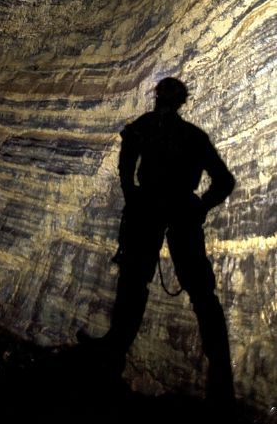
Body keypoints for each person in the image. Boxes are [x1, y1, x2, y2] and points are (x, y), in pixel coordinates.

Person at [101, 77, 236, 404]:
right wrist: (199, 207)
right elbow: (224, 181)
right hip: (180, 211)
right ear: (182, 101)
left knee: (134, 284)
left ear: (158, 97)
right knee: (202, 293)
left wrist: (132, 194)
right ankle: (221, 380)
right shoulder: (193, 136)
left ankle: (110, 362)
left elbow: (126, 162)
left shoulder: (145, 126)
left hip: (148, 210)